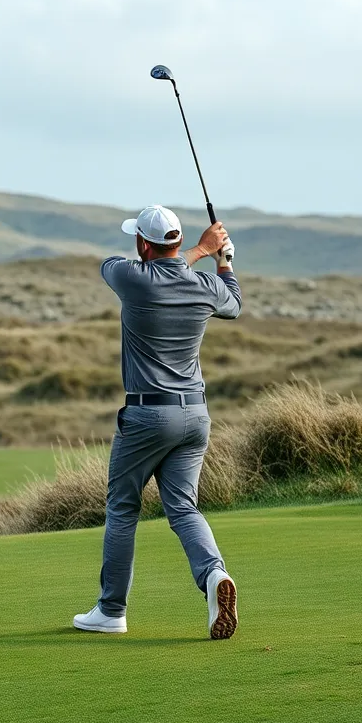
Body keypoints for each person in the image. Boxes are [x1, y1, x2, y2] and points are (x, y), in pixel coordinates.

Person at [73, 204, 241, 640]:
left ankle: (111, 611)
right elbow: (235, 304)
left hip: (148, 415)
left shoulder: (132, 277)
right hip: (195, 416)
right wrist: (220, 259)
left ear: (142, 244)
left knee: (123, 509)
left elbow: (109, 265)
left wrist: (201, 252)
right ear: (179, 241)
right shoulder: (204, 286)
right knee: (183, 507)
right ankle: (214, 576)